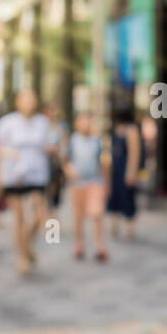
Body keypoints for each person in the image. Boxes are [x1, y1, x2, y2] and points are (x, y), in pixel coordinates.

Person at [0, 89, 53, 276]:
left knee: (40, 213)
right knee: (18, 216)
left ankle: (26, 245)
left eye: (32, 98)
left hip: (37, 174)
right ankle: (21, 256)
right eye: (25, 99)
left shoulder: (42, 122)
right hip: (14, 175)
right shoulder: (7, 123)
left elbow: (48, 144)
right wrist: (10, 156)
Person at [66, 111, 108, 262]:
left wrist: (105, 183)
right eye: (82, 121)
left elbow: (103, 161)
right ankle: (79, 245)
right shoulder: (72, 140)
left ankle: (99, 246)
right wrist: (69, 171)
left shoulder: (97, 140)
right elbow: (66, 160)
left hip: (94, 182)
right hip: (78, 184)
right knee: (78, 217)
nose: (86, 124)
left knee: (96, 214)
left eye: (88, 121)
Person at [106, 107, 142, 240]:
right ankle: (114, 226)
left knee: (127, 199)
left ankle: (130, 229)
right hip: (115, 170)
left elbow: (134, 153)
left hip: (125, 170)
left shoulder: (131, 130)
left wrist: (131, 173)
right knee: (115, 198)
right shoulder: (117, 129)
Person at [44, 101, 68, 212]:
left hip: (56, 162)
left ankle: (52, 218)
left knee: (55, 191)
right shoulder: (41, 125)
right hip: (44, 162)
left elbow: (64, 145)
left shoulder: (62, 127)